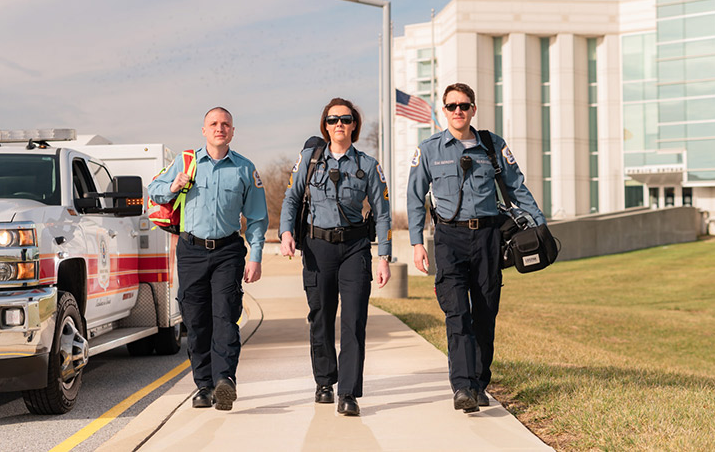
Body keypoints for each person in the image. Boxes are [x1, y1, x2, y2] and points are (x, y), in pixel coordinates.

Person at [407, 83, 546, 413]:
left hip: (488, 238)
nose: (458, 111)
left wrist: (539, 226)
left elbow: (516, 187)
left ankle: (480, 382)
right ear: (444, 111)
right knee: (457, 313)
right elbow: (414, 197)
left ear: (473, 109)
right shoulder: (428, 150)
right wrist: (416, 242)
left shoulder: (492, 145)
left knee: (485, 312)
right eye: (452, 106)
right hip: (448, 239)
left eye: (464, 105)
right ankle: (462, 386)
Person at [147, 107, 268, 411]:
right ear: (204, 130)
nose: (219, 128)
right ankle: (203, 385)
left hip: (228, 251)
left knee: (226, 316)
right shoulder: (186, 163)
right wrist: (173, 186)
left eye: (225, 124)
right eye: (213, 124)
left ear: (232, 131)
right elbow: (154, 190)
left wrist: (255, 256)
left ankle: (225, 379)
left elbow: (256, 218)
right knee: (196, 321)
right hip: (191, 250)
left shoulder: (244, 168)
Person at [279, 98, 392, 417]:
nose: (338, 124)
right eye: (332, 120)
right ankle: (325, 382)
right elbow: (290, 198)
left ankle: (348, 392)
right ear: (324, 126)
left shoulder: (369, 165)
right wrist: (287, 233)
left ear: (354, 124)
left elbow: (382, 214)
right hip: (318, 248)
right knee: (321, 317)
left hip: (355, 248)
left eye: (345, 119)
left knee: (354, 319)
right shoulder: (309, 159)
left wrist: (383, 256)